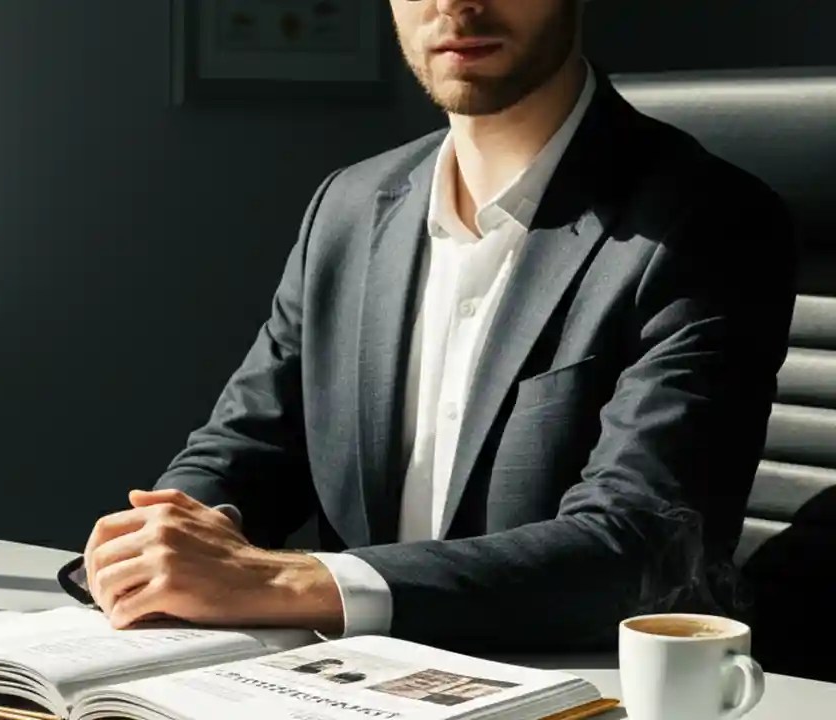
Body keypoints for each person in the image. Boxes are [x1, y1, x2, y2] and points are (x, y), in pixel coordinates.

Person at [80, 0, 798, 649]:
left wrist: (283, 583)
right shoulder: (349, 206)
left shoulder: (707, 225)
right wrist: (160, 545)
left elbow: (641, 549)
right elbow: (248, 444)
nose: (458, 3)